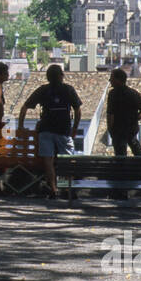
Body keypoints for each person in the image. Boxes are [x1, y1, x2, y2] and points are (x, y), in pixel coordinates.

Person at [18, 64, 82, 200]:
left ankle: (53, 188)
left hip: (45, 129)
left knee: (48, 160)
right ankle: (68, 188)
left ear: (47, 77)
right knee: (67, 160)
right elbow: (77, 110)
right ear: (61, 75)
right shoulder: (68, 90)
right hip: (63, 129)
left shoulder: (43, 90)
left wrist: (21, 126)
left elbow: (24, 107)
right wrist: (75, 128)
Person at [105, 68, 141, 158]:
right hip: (131, 129)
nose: (110, 80)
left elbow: (110, 114)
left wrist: (110, 129)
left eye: (111, 78)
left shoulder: (113, 94)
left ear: (118, 80)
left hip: (117, 130)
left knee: (120, 155)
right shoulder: (133, 93)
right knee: (136, 149)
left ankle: (122, 170)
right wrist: (135, 118)